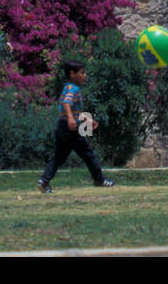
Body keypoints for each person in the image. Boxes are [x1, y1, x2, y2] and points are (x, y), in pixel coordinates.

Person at [37, 61, 115, 191]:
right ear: (72, 74)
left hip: (61, 126)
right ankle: (100, 180)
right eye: (82, 72)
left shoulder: (66, 87)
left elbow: (70, 108)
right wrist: (71, 119)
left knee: (59, 156)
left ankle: (44, 181)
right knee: (88, 153)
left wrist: (87, 120)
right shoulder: (74, 88)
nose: (85, 75)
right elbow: (67, 104)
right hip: (71, 129)